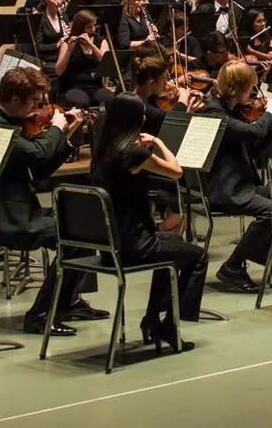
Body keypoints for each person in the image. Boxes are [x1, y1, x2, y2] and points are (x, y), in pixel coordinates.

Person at [0, 67, 105, 335]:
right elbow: (37, 154)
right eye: (34, 102)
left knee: (85, 226)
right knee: (77, 239)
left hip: (24, 209)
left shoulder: (14, 122)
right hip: (6, 217)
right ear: (15, 98)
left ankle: (68, 300)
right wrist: (57, 128)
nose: (37, 109)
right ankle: (40, 314)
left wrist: (67, 135)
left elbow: (39, 172)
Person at [91, 92, 205, 350]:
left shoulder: (103, 150)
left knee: (174, 244)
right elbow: (176, 172)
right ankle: (170, 324)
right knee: (198, 256)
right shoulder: (134, 153)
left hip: (111, 246)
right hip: (136, 246)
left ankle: (153, 319)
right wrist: (159, 142)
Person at [198, 61, 272, 292]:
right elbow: (253, 132)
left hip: (240, 183)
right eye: (251, 87)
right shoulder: (214, 112)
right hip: (226, 188)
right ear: (238, 87)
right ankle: (232, 266)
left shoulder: (230, 110)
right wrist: (269, 113)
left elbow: (252, 147)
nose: (253, 92)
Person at [55, 9, 114, 110]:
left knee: (110, 98)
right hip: (75, 87)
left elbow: (106, 65)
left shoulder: (100, 41)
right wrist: (69, 50)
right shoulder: (67, 43)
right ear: (80, 28)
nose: (93, 29)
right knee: (80, 102)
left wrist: (92, 45)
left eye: (94, 25)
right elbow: (58, 71)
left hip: (96, 86)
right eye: (89, 27)